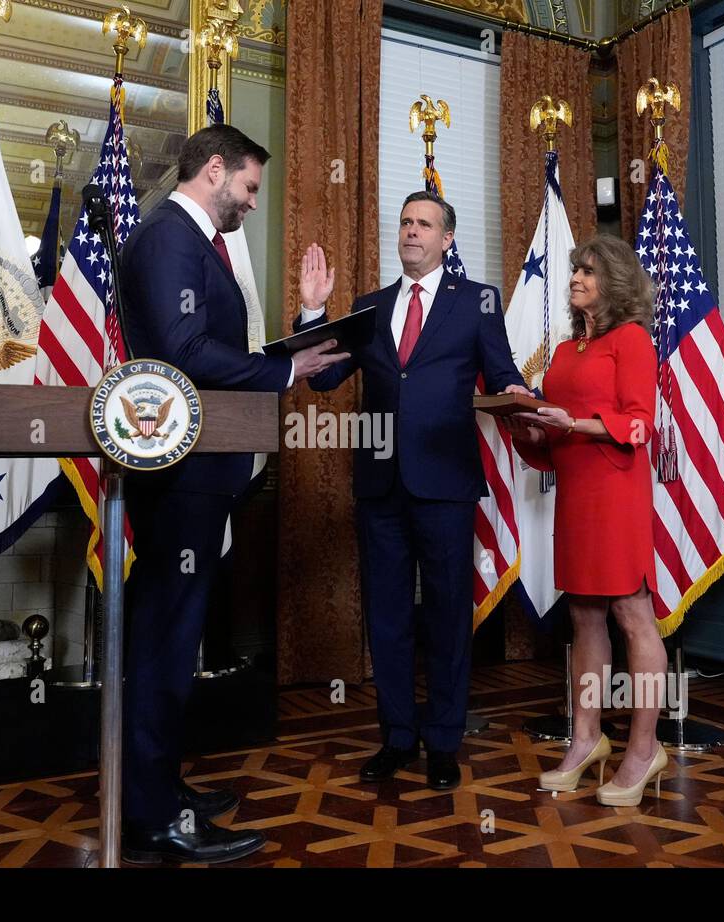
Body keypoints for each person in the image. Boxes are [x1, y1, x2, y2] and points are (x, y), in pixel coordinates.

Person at [116, 124, 346, 864]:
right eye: (248, 187)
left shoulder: (189, 243)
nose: (251, 202)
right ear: (215, 171)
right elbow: (183, 353)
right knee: (164, 640)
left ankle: (160, 788)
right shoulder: (169, 240)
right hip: (180, 475)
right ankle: (152, 817)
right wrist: (284, 372)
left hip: (197, 470)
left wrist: (298, 341)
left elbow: (204, 350)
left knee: (172, 639)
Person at [296, 192, 530, 791]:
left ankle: (444, 742)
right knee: (389, 615)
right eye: (404, 222)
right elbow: (323, 379)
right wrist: (313, 314)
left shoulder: (477, 301)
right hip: (381, 485)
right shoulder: (369, 308)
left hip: (446, 482)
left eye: (423, 224)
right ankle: (398, 739)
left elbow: (501, 372)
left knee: (449, 614)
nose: (410, 232)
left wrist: (521, 393)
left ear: (447, 239)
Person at [499, 233, 669, 807]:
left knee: (632, 613)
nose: (575, 278)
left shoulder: (633, 340)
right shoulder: (566, 352)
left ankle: (644, 749)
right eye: (575, 270)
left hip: (616, 494)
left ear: (615, 285)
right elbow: (554, 444)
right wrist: (530, 429)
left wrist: (573, 423)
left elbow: (640, 425)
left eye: (588, 272)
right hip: (574, 493)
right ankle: (587, 739)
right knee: (585, 617)